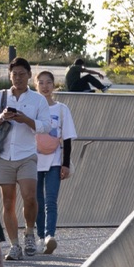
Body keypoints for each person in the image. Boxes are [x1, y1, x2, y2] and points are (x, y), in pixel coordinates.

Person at [0, 57, 49, 260]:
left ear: (29, 75)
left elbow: (46, 126)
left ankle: (29, 232)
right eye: (15, 74)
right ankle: (14, 245)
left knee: (30, 196)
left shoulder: (37, 100)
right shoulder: (0, 96)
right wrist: (2, 117)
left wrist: (25, 120)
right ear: (9, 75)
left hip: (26, 154)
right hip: (4, 154)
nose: (18, 78)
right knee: (8, 201)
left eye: (22, 74)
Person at [34, 69, 77, 255]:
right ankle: (40, 236)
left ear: (54, 85)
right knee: (35, 200)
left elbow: (67, 138)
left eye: (48, 82)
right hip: (33, 160)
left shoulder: (61, 109)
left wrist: (65, 164)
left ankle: (50, 235)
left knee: (50, 200)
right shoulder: (32, 108)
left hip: (54, 160)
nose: (45, 86)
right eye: (41, 82)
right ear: (36, 85)